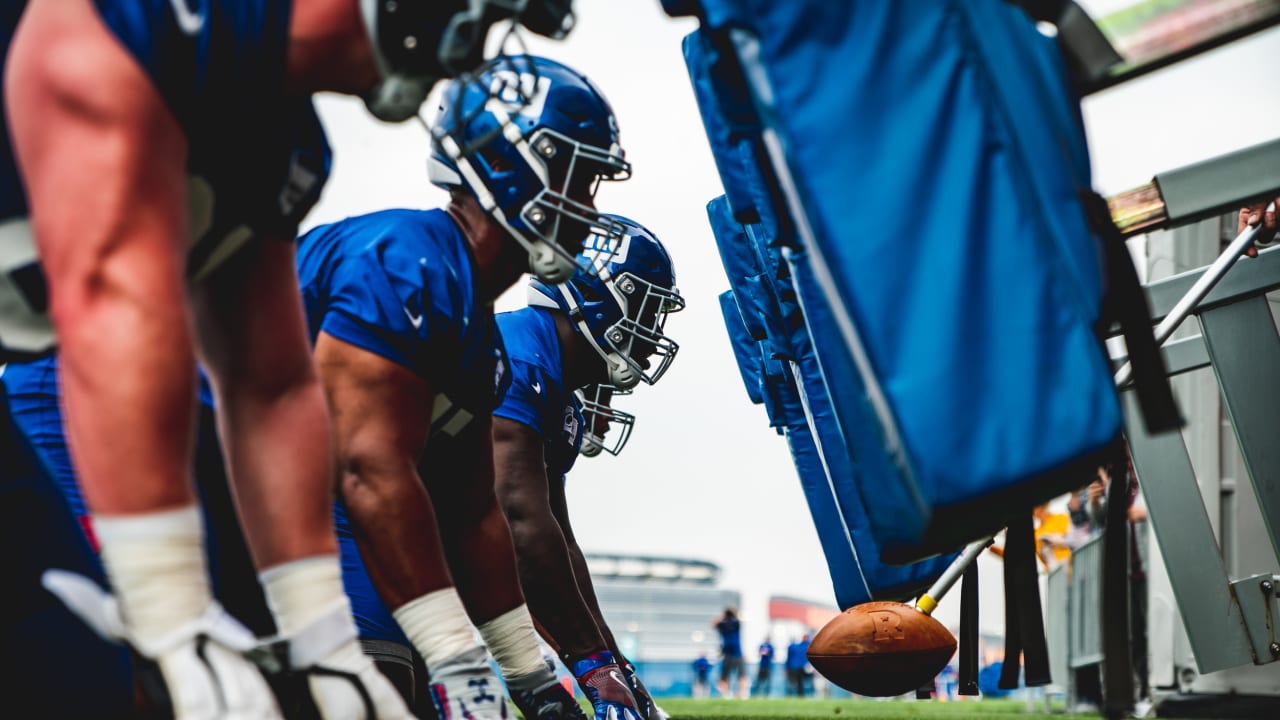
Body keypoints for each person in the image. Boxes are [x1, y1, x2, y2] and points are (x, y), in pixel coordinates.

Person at [2, 1, 573, 717]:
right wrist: (169, 604)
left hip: (159, 412)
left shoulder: (285, 139)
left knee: (277, 684)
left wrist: (319, 633)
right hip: (77, 393)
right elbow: (111, 301)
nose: (465, 56)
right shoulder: (143, 29)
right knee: (102, 677)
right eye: (471, 19)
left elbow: (268, 386)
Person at [299, 54, 631, 720]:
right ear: (509, 164)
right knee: (374, 682)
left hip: (272, 486)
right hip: (141, 443)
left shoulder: (477, 328)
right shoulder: (407, 262)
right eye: (578, 179)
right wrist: (461, 658)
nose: (588, 209)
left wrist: (528, 677)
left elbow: (473, 511)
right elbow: (368, 469)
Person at [492, 217, 684, 720]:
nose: (652, 330)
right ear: (599, 293)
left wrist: (615, 665)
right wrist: (594, 668)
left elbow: (559, 544)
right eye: (646, 306)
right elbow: (519, 528)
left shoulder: (553, 386)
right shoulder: (521, 357)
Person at [714, 608, 748, 699]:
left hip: (737, 653)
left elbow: (740, 620)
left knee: (741, 675)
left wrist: (727, 615)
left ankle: (742, 694)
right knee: (725, 675)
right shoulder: (723, 624)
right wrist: (725, 616)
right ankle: (726, 693)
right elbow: (714, 624)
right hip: (728, 653)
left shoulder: (735, 623)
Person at [785, 634, 811, 698]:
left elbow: (788, 658)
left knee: (792, 682)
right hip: (800, 667)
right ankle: (800, 695)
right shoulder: (805, 645)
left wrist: (786, 667)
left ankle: (790, 695)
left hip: (793, 667)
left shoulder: (791, 646)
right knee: (800, 682)